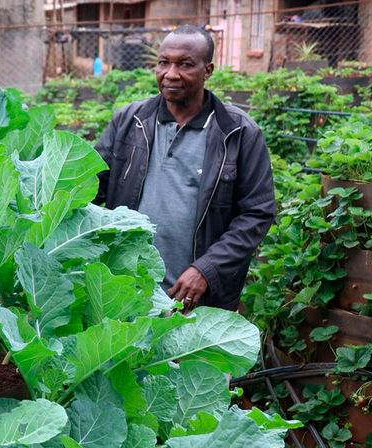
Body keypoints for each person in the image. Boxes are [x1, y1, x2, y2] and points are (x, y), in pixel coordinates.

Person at [93, 25, 276, 311]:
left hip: (197, 297)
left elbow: (257, 213)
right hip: (126, 288)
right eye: (164, 62)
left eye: (185, 64)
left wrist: (207, 269)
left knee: (188, 356)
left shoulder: (238, 132)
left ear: (208, 70)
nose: (170, 74)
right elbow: (90, 186)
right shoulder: (130, 121)